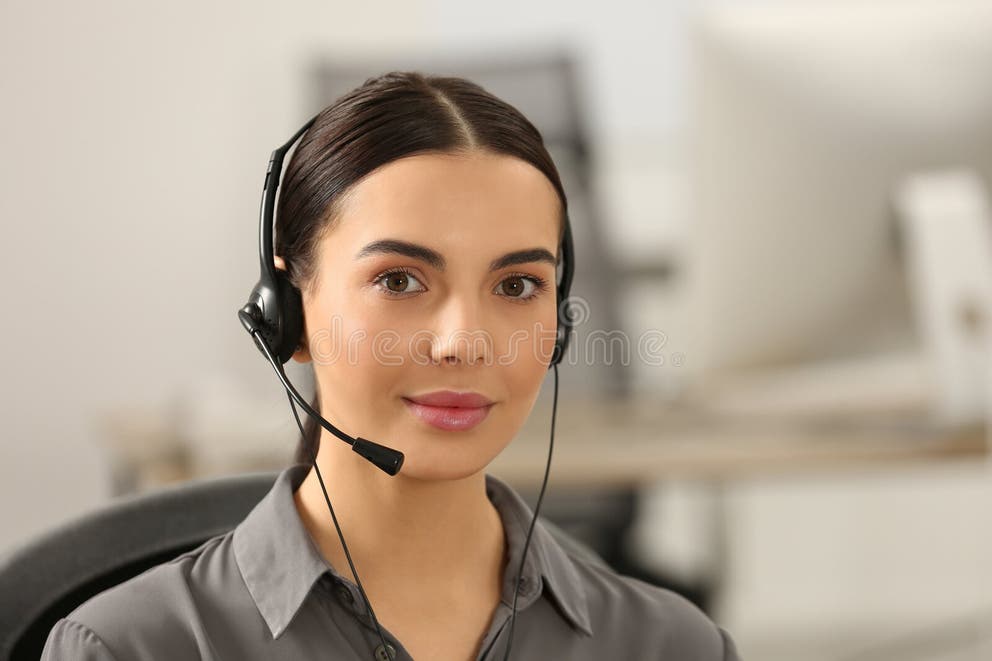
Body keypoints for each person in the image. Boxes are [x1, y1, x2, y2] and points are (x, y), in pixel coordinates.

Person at [41, 71, 741, 660]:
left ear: (557, 324)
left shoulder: (668, 645)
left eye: (517, 285)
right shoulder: (132, 647)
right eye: (401, 280)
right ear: (288, 312)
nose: (462, 342)